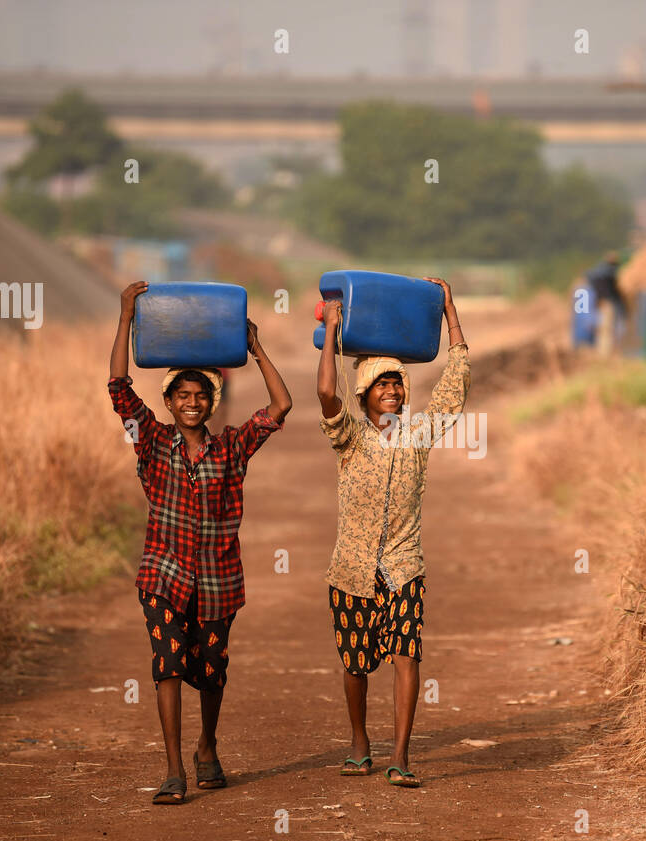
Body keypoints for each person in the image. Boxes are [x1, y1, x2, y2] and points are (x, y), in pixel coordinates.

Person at [108, 280, 292, 805]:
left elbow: (282, 404)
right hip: (162, 576)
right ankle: (172, 769)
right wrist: (126, 316)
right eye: (181, 396)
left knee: (212, 672)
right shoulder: (149, 439)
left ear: (213, 402)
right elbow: (118, 385)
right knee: (167, 665)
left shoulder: (233, 446)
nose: (191, 404)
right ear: (167, 401)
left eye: (200, 396)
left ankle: (206, 746)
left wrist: (255, 348)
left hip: (217, 582)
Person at [316, 276, 469, 788]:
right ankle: (360, 740)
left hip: (405, 566)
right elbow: (323, 392)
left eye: (398, 384)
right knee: (356, 663)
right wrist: (333, 333)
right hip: (352, 570)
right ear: (364, 394)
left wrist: (450, 313)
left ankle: (400, 754)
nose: (393, 391)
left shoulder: (418, 435)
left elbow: (455, 388)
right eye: (382, 384)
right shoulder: (351, 439)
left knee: (407, 654)